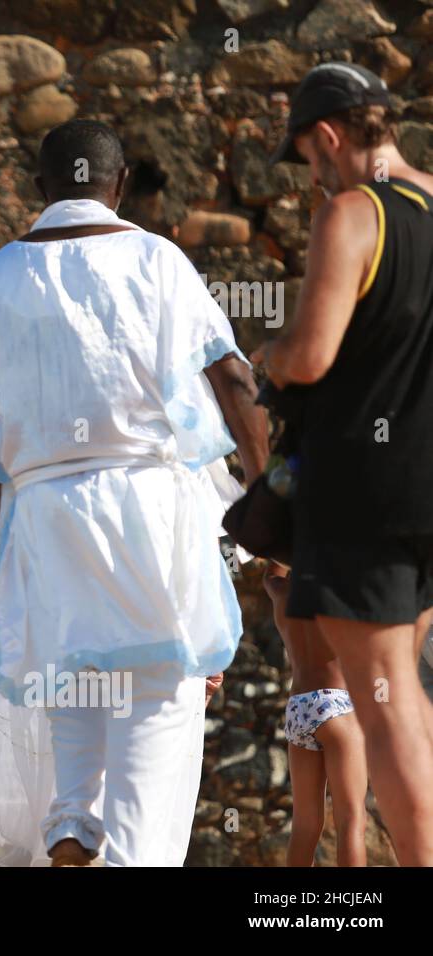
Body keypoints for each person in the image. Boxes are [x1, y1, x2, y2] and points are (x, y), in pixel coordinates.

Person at [0, 119, 268, 866]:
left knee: (78, 724)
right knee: (156, 715)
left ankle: (72, 838)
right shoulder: (156, 259)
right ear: (120, 186)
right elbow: (232, 378)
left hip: (43, 519)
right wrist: (269, 493)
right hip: (145, 509)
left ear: (40, 187)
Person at [256, 61, 433, 865]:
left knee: (385, 701)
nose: (313, 179)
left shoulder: (355, 212)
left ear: (329, 136)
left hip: (368, 488)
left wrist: (271, 352)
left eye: (311, 159)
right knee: (411, 695)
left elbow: (312, 354)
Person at [263, 566, 367, 866]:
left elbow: (272, 567)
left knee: (305, 824)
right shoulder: (338, 591)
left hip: (298, 708)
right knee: (352, 819)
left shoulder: (281, 592)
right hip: (337, 705)